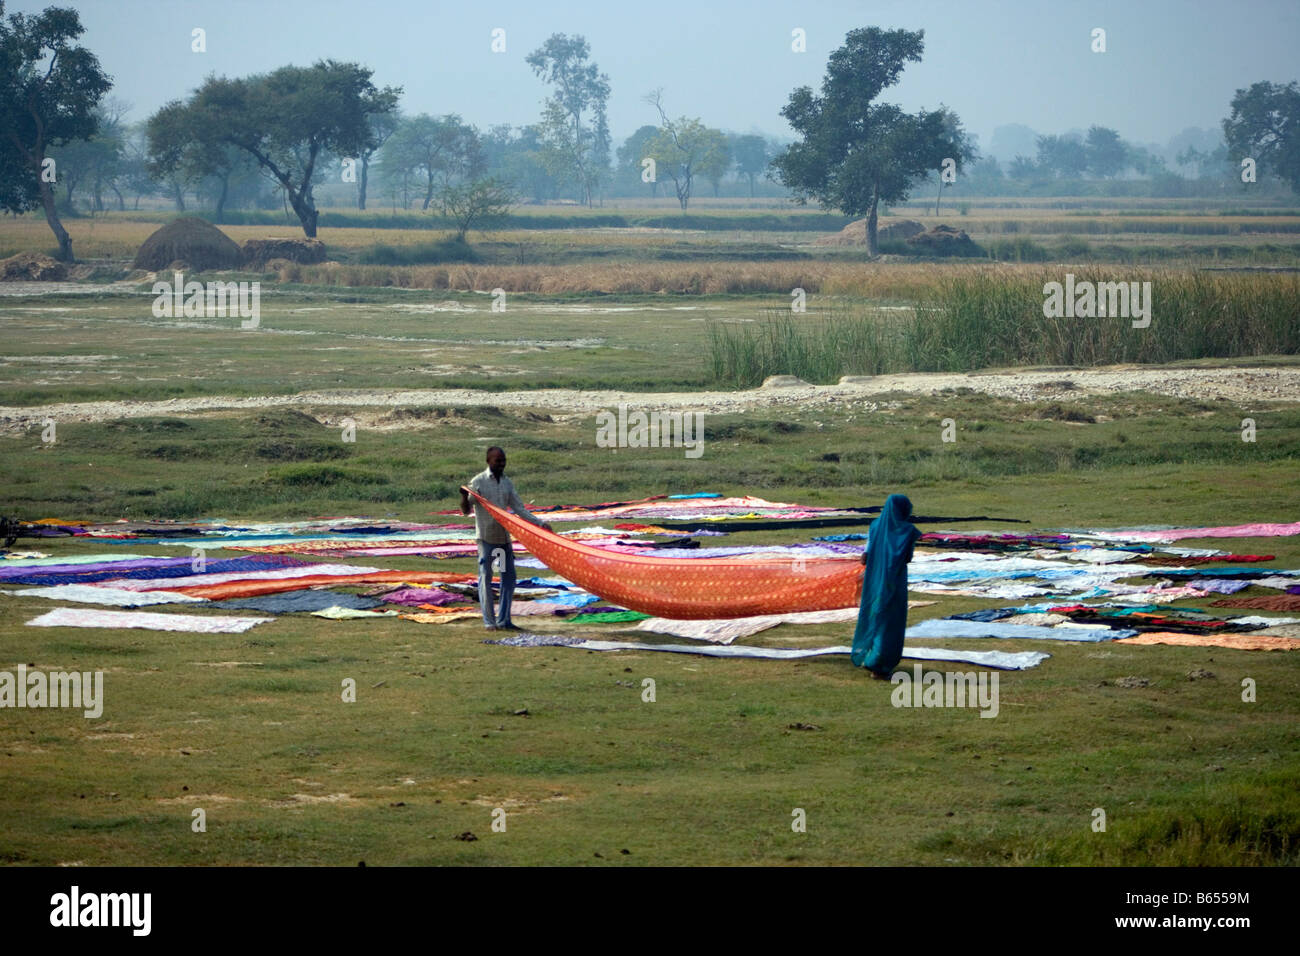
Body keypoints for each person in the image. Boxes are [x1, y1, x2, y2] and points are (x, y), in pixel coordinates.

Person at [460, 447, 552, 630]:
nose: (501, 464)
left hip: (502, 541)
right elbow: (466, 510)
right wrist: (464, 496)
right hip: (487, 540)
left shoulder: (507, 483)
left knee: (507, 578)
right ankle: (489, 622)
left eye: (503, 461)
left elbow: (519, 509)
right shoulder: (478, 482)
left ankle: (503, 620)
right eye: (497, 461)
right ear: (488, 461)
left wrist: (540, 524)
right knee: (486, 578)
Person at [851, 493, 922, 679]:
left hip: (874, 580)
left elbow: (864, 557)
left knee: (874, 614)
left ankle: (868, 655)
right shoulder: (908, 531)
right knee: (890, 622)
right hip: (894, 581)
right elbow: (907, 557)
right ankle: (878, 665)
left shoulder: (875, 526)